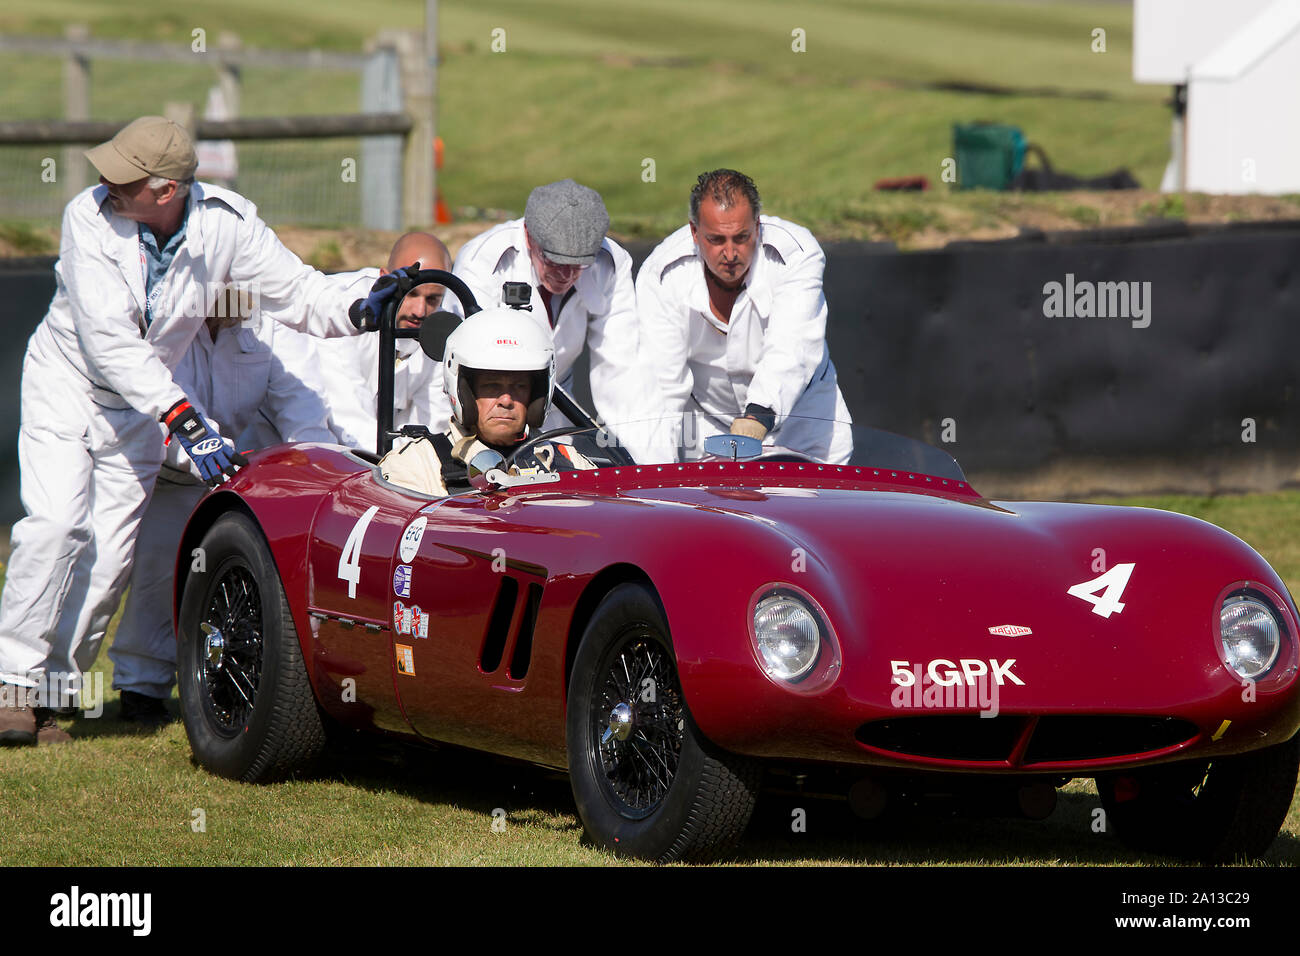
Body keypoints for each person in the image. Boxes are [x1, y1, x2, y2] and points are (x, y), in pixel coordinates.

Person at [0, 116, 398, 745]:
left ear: (166, 191)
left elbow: (296, 293)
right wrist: (185, 419)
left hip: (136, 410)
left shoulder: (227, 224)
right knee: (55, 528)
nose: (105, 180)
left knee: (108, 562)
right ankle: (10, 685)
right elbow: (109, 343)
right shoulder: (88, 215)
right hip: (67, 385)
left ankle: (52, 699)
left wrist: (360, 305)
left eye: (124, 175)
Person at [107, 292, 337, 724]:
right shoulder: (165, 325)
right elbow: (162, 402)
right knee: (148, 572)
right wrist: (216, 454)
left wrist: (315, 465)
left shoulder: (273, 326)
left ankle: (238, 681)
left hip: (237, 475)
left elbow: (301, 405)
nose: (231, 285)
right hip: (163, 472)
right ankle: (137, 687)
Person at [635, 169, 853, 464]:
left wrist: (757, 416)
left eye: (741, 237)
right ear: (695, 233)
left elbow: (792, 347)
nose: (730, 253)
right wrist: (655, 468)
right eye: (716, 239)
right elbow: (663, 384)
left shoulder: (798, 255)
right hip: (709, 435)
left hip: (805, 427)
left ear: (758, 227)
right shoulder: (660, 275)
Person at [451, 179, 647, 436]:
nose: (565, 275)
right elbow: (471, 365)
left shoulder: (610, 261)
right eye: (554, 262)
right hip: (487, 408)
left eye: (578, 266)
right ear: (529, 237)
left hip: (559, 408)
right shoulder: (482, 262)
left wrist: (636, 459)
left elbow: (620, 368)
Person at [379, 306, 557, 497]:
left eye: (520, 387)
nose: (506, 400)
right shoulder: (414, 466)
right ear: (464, 393)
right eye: (491, 386)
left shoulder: (565, 461)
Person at [316, 233, 458, 449]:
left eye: (432, 299)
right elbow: (348, 417)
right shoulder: (343, 308)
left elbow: (432, 420)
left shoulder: (445, 326)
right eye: (411, 294)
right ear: (384, 277)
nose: (420, 311)